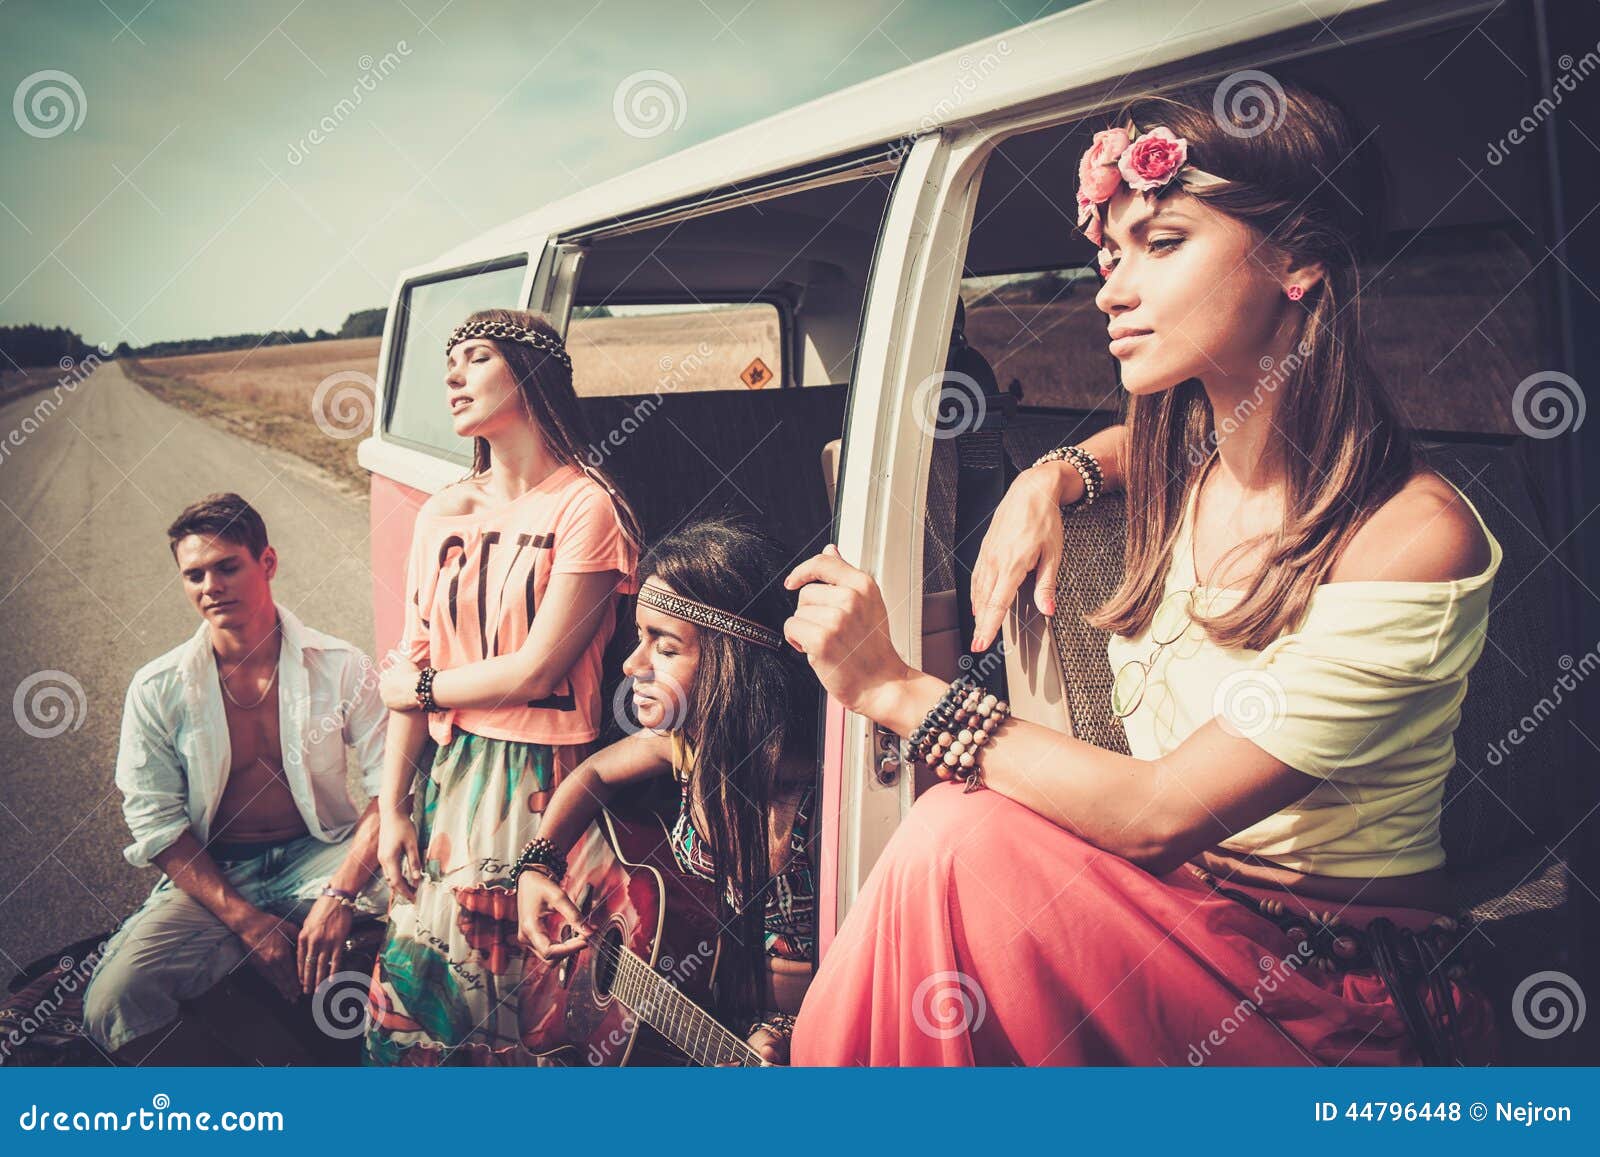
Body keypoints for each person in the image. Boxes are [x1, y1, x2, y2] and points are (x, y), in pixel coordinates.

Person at [785, 83, 1502, 1066]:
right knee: (958, 828)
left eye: (1161, 246)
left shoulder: (1410, 538)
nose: (1110, 290)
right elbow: (1150, 446)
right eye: (1109, 253)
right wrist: (1056, 473)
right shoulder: (1186, 471)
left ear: (1296, 259)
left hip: (1332, 982)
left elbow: (1157, 813)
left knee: (961, 838)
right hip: (1183, 917)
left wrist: (893, 688)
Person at [364, 309, 641, 1065]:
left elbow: (537, 669)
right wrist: (393, 805)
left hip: (548, 784)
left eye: (475, 357)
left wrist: (419, 688)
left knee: (530, 1004)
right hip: (454, 779)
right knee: (429, 992)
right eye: (448, 362)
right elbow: (413, 651)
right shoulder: (441, 512)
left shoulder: (586, 505)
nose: (452, 376)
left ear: (529, 373)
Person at [82, 493, 389, 1064]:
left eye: (227, 567)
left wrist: (341, 891)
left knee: (439, 904)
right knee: (112, 1002)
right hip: (218, 872)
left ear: (266, 563)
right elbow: (155, 822)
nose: (210, 586)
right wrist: (246, 922)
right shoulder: (158, 688)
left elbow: (391, 787)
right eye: (193, 574)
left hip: (322, 857)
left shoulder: (340, 663)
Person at [512, 515, 820, 1065]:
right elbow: (593, 774)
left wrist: (784, 1033)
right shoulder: (686, 746)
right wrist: (538, 864)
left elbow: (827, 982)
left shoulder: (814, 808)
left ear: (736, 664)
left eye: (665, 646)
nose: (632, 666)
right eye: (638, 637)